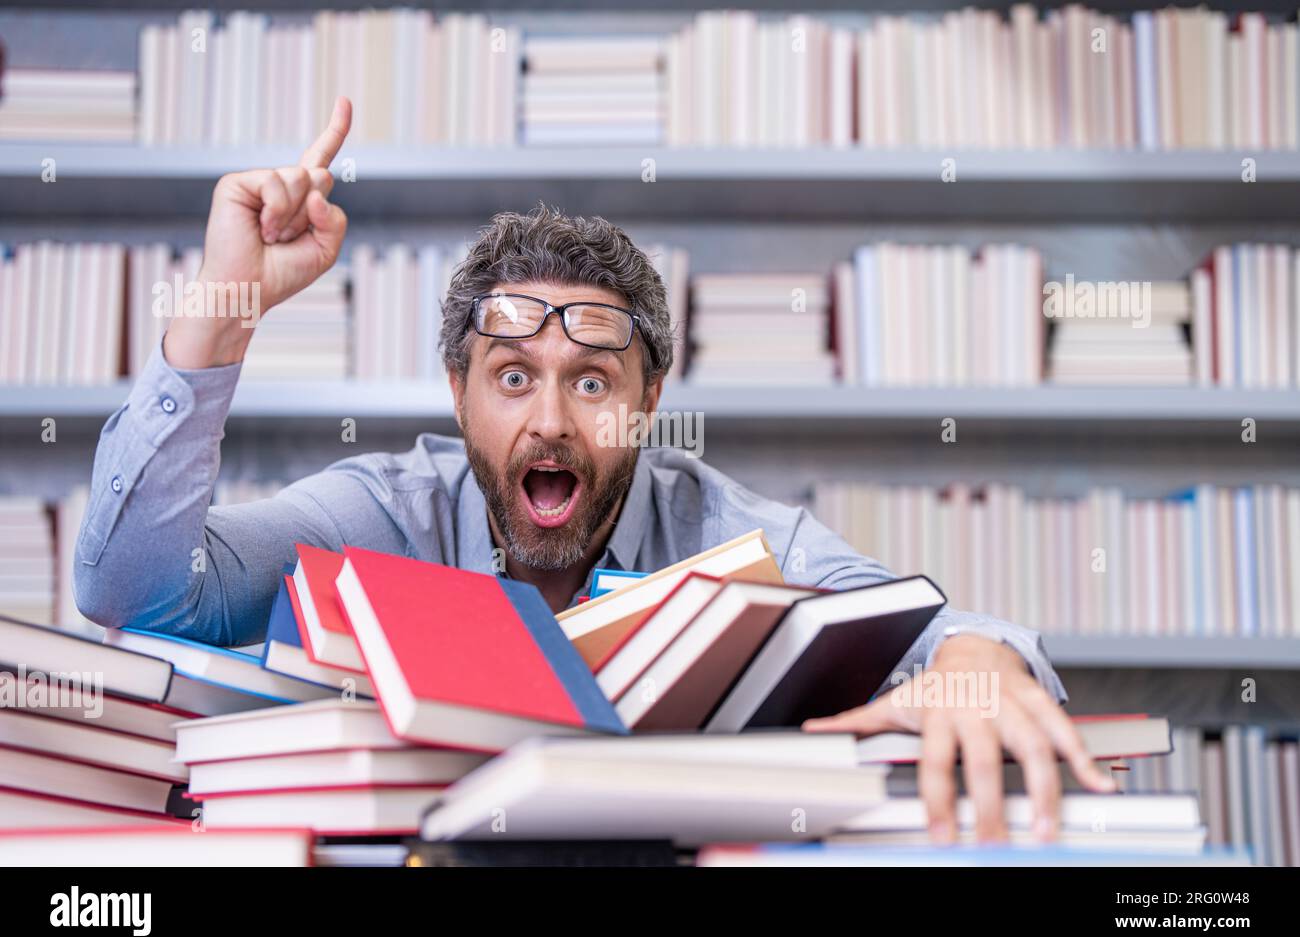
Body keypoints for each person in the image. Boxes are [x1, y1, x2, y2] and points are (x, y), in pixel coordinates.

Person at [74, 97, 1116, 845]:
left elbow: (926, 635)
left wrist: (978, 657)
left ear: (649, 399)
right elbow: (137, 590)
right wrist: (225, 298)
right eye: (513, 375)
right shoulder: (378, 513)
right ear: (458, 391)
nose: (550, 420)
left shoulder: (732, 536)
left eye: (592, 381)